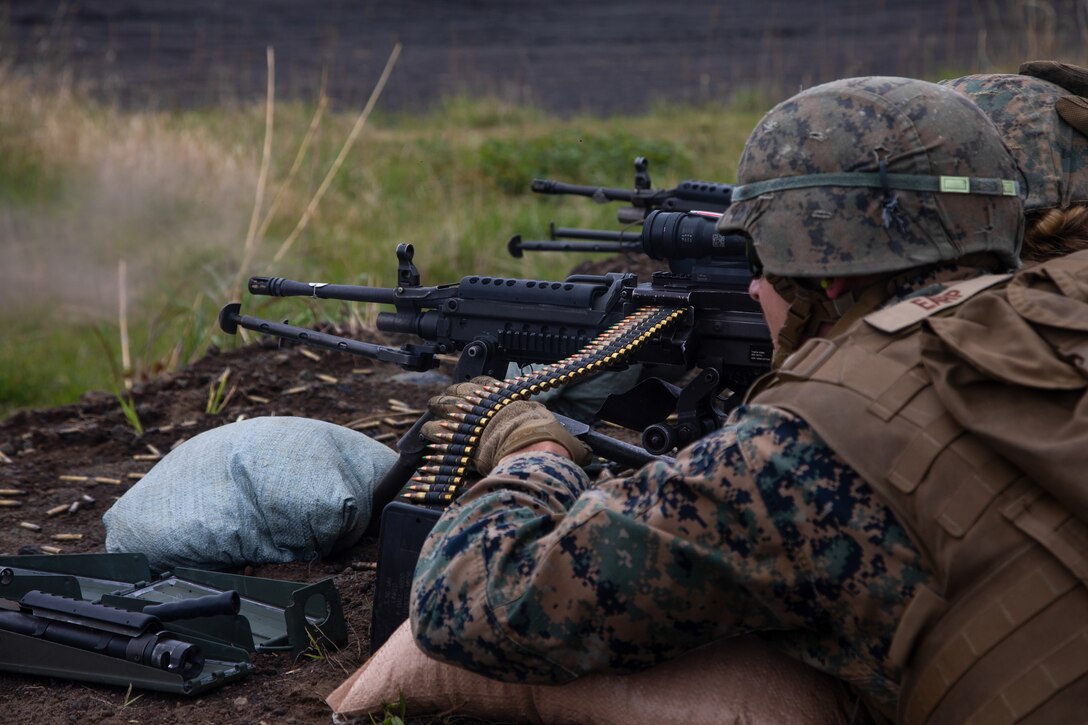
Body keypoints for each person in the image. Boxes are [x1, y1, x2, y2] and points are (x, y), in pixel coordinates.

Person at [409, 76, 1088, 724]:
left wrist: (533, 448)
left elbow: (470, 596)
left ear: (811, 268)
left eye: (756, 261)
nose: (753, 289)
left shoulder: (810, 447)